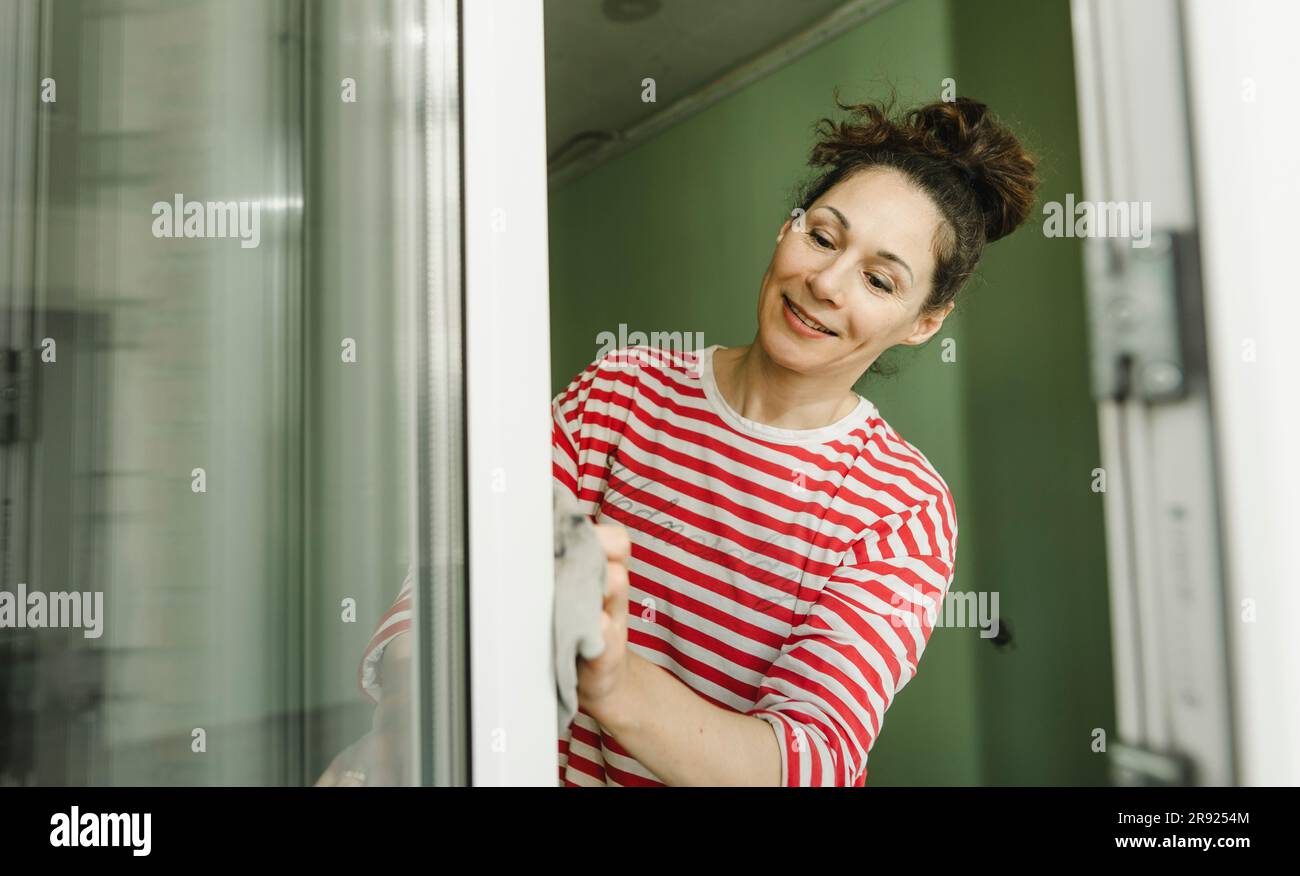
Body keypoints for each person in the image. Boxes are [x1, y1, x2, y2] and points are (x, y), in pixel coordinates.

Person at [317, 91, 1039, 786]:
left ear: (924, 322)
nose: (826, 283)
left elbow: (810, 759)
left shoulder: (899, 509)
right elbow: (460, 564)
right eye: (821, 236)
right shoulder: (623, 389)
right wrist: (406, 728)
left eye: (880, 281)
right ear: (785, 229)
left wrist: (612, 678)